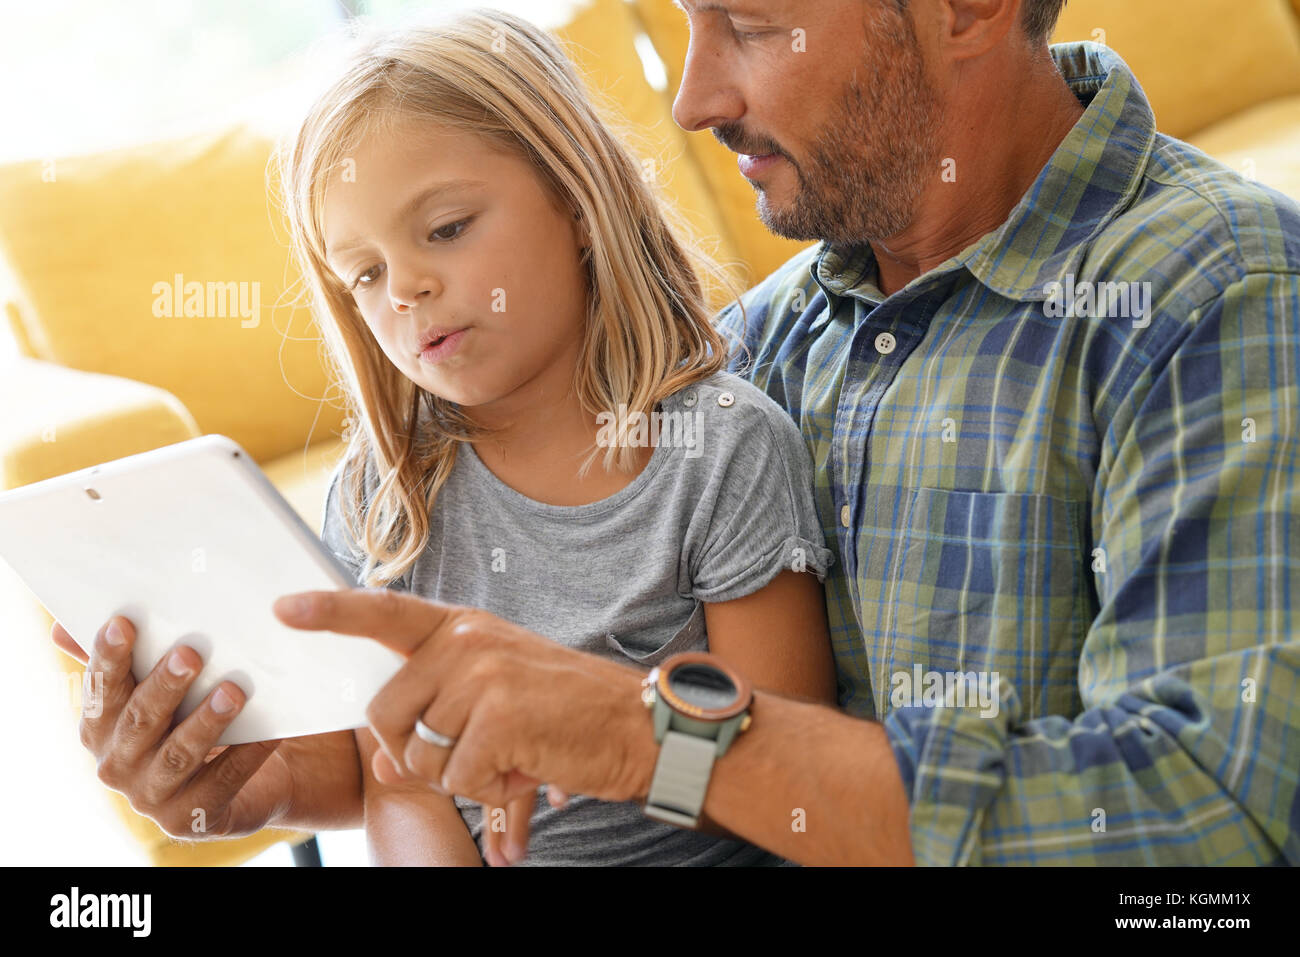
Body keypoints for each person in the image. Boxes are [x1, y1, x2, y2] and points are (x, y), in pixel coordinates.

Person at [58, 0, 1300, 867]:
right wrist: (249, 788)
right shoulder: (768, 339)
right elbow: (403, 772)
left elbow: (1207, 830)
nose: (695, 98)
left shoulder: (1213, 300)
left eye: (749, 25)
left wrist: (630, 731)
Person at [54, 9, 838, 867]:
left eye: (447, 229)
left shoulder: (723, 453)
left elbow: (781, 788)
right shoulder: (386, 502)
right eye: (366, 272)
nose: (408, 288)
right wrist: (234, 777)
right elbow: (396, 783)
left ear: (577, 199)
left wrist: (618, 736)